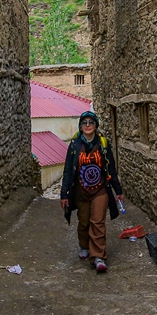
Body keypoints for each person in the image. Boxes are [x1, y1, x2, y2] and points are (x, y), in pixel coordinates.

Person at [60, 111, 124, 273]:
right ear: (81, 126)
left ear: (96, 125)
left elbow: (111, 168)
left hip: (100, 190)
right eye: (84, 123)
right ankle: (84, 245)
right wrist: (64, 195)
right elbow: (68, 171)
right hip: (80, 191)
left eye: (91, 122)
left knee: (98, 222)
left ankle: (98, 257)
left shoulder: (102, 143)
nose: (87, 125)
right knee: (84, 222)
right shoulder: (74, 145)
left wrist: (118, 190)